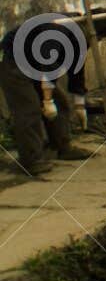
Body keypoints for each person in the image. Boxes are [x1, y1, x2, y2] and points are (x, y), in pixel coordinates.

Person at [1, 19, 94, 178]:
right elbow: (48, 70)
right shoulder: (59, 33)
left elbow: (77, 71)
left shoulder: (81, 34)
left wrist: (80, 105)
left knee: (61, 101)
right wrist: (47, 101)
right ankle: (32, 160)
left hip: (34, 61)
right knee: (29, 109)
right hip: (12, 61)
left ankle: (62, 146)